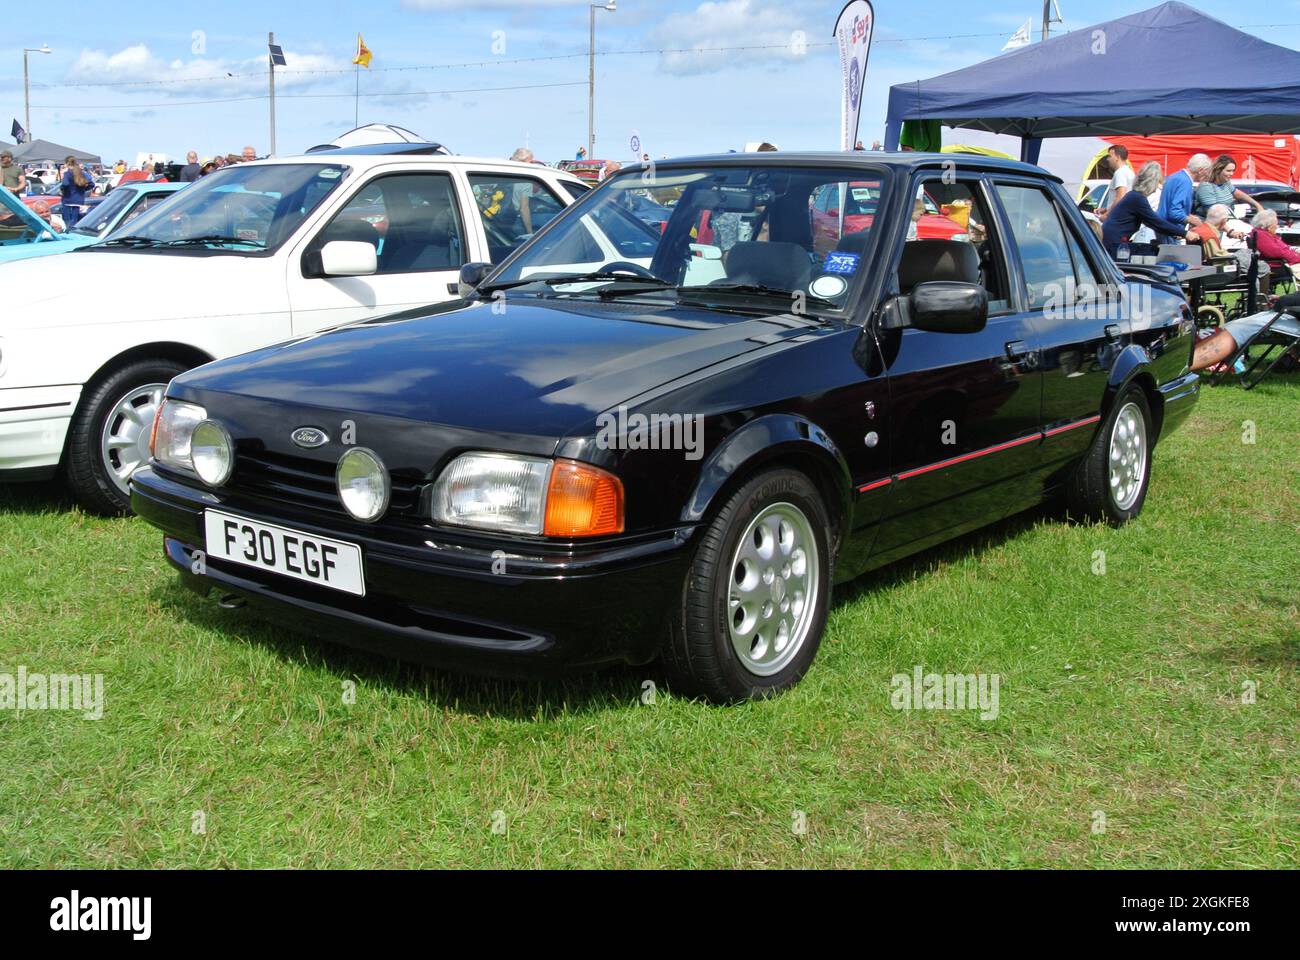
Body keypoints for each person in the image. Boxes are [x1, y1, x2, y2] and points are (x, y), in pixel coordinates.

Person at [1101, 161, 1193, 256]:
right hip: (1114, 244)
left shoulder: (1133, 196)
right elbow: (1156, 222)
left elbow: (1150, 222)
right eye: (1157, 183)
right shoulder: (1137, 199)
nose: (1155, 189)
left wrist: (1173, 233)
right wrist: (1185, 233)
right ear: (1151, 183)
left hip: (1112, 240)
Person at [1191, 291, 1300, 371]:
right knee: (1234, 326)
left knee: (1238, 329)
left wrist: (1282, 300)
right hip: (1290, 316)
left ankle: (1185, 367)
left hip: (1292, 319)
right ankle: (1186, 363)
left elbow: (1285, 302)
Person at [1155, 153, 1210, 243]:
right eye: (1207, 171)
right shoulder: (1185, 182)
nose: (1207, 175)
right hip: (1171, 230)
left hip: (1162, 227)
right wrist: (1191, 219)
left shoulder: (1174, 176)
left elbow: (1169, 205)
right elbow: (1174, 212)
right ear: (1200, 170)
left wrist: (1188, 215)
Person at [1194, 154, 1265, 220]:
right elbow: (1214, 215)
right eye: (1228, 171)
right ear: (1218, 170)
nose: (1231, 174)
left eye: (1233, 171)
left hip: (1225, 222)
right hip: (1213, 227)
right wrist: (1230, 231)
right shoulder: (1206, 187)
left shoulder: (1226, 182)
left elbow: (1237, 194)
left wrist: (1257, 205)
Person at [1249, 208, 1300, 282]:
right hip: (1277, 266)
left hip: (1283, 263)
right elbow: (1277, 252)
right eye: (1276, 223)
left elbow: (1284, 249)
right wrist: (1297, 257)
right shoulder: (1261, 235)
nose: (1277, 226)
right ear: (1268, 225)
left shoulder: (1266, 234)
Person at [59, 156, 93, 228]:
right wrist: (84, 189)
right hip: (78, 200)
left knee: (67, 222)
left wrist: (62, 189)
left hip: (68, 199)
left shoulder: (68, 173)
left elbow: (65, 184)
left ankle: (68, 233)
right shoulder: (81, 172)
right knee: (75, 221)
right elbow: (91, 183)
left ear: (67, 163)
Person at [1105, 144, 1134, 210]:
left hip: (1118, 217)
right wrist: (1106, 209)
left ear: (1117, 157)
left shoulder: (1120, 173)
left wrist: (1107, 214)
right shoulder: (1129, 172)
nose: (1107, 159)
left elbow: (1120, 197)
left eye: (1110, 156)